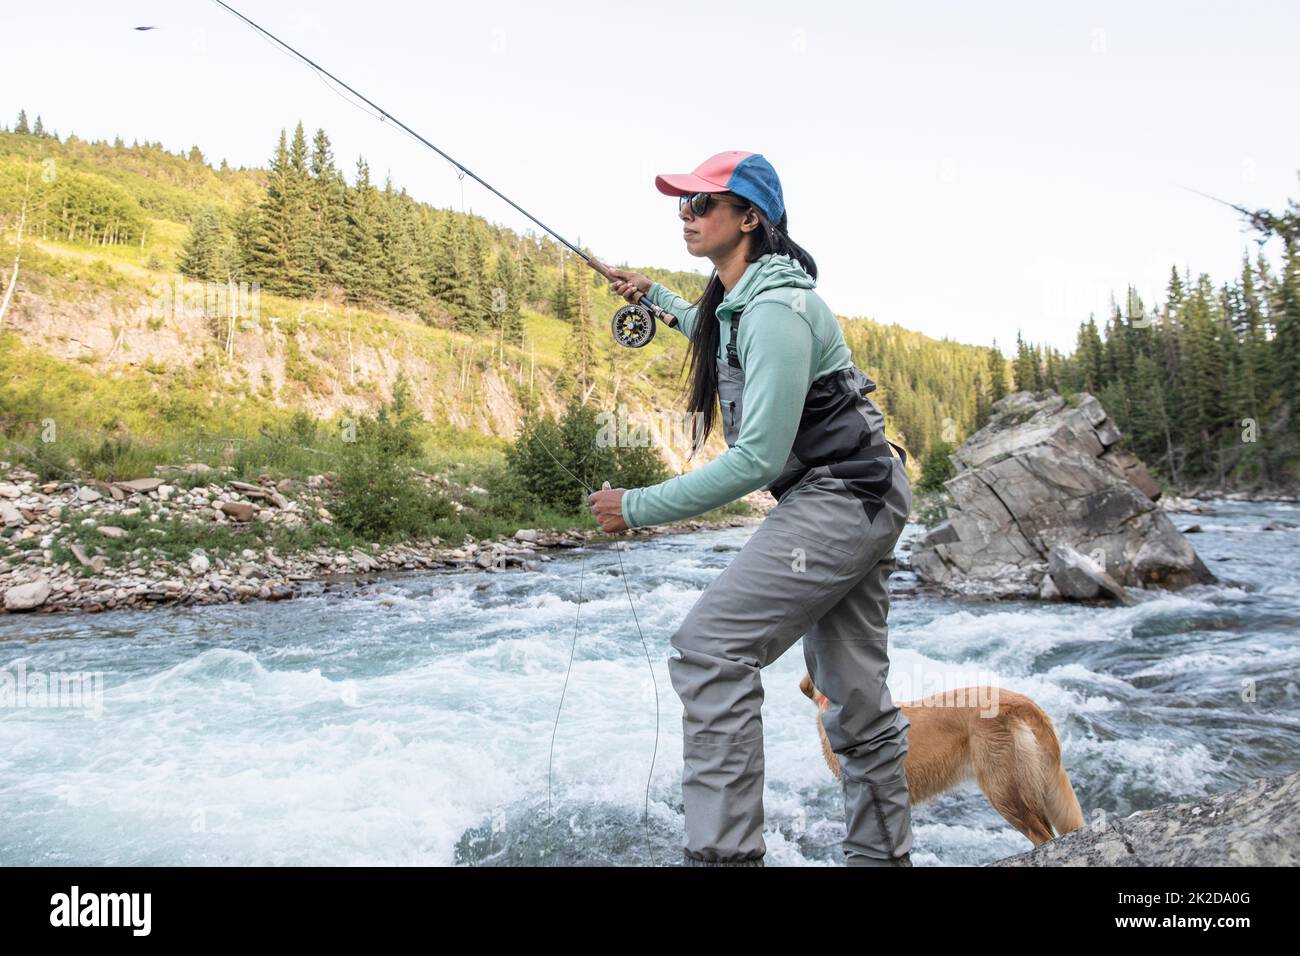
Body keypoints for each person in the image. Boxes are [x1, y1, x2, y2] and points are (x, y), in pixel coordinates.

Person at [586, 151, 914, 867]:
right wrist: (652, 295)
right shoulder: (743, 299)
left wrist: (636, 507)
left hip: (842, 498)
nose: (686, 216)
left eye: (702, 205)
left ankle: (725, 859)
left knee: (710, 650)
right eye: (682, 204)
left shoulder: (774, 311)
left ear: (750, 218)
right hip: (865, 493)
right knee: (857, 703)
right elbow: (707, 321)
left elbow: (757, 461)